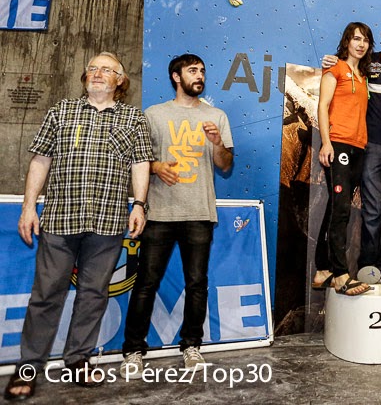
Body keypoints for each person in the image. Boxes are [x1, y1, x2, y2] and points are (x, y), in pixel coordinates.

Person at [5, 53, 152, 400]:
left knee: (93, 295)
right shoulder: (61, 111)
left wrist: (140, 204)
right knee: (45, 295)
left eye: (106, 70)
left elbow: (141, 163)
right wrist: (29, 206)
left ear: (120, 80)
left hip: (108, 221)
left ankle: (78, 360)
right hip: (59, 219)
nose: (97, 73)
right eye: (92, 68)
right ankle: (28, 367)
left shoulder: (133, 119)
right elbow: (40, 159)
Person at [119, 53, 234, 377]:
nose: (199, 75)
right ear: (175, 76)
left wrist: (215, 143)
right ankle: (133, 350)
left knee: (197, 283)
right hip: (159, 213)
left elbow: (225, 164)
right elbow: (138, 159)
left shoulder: (216, 116)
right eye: (192, 70)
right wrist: (156, 166)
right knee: (146, 283)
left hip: (198, 212)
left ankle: (191, 346)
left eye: (202, 70)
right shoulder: (154, 115)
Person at [321, 16, 381, 287]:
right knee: (369, 211)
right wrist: (329, 60)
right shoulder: (368, 66)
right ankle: (363, 268)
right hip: (368, 147)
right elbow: (328, 97)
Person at [309, 24, 375, 298]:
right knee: (342, 211)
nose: (360, 44)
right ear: (346, 41)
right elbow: (322, 106)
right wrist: (326, 142)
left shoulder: (363, 76)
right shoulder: (334, 69)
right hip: (339, 144)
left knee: (337, 208)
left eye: (365, 40)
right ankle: (340, 274)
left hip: (359, 147)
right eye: (356, 39)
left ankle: (322, 268)